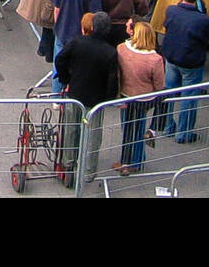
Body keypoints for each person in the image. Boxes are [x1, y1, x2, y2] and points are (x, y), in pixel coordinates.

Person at [54, 11, 118, 176]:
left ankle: (68, 163)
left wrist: (65, 79)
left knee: (71, 129)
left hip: (75, 93)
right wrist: (108, 99)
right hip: (96, 100)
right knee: (93, 135)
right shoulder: (110, 52)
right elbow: (112, 80)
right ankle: (89, 170)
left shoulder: (77, 42)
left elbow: (60, 59)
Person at [160, 0, 209, 143]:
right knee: (188, 98)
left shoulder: (171, 11)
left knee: (169, 94)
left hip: (172, 58)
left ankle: (168, 127)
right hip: (191, 62)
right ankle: (184, 133)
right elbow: (206, 39)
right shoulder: (203, 20)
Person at [116, 20, 165, 175]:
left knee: (128, 129)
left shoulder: (121, 49)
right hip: (145, 99)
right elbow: (159, 85)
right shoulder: (155, 59)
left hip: (125, 96)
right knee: (137, 130)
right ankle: (152, 130)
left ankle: (127, 162)